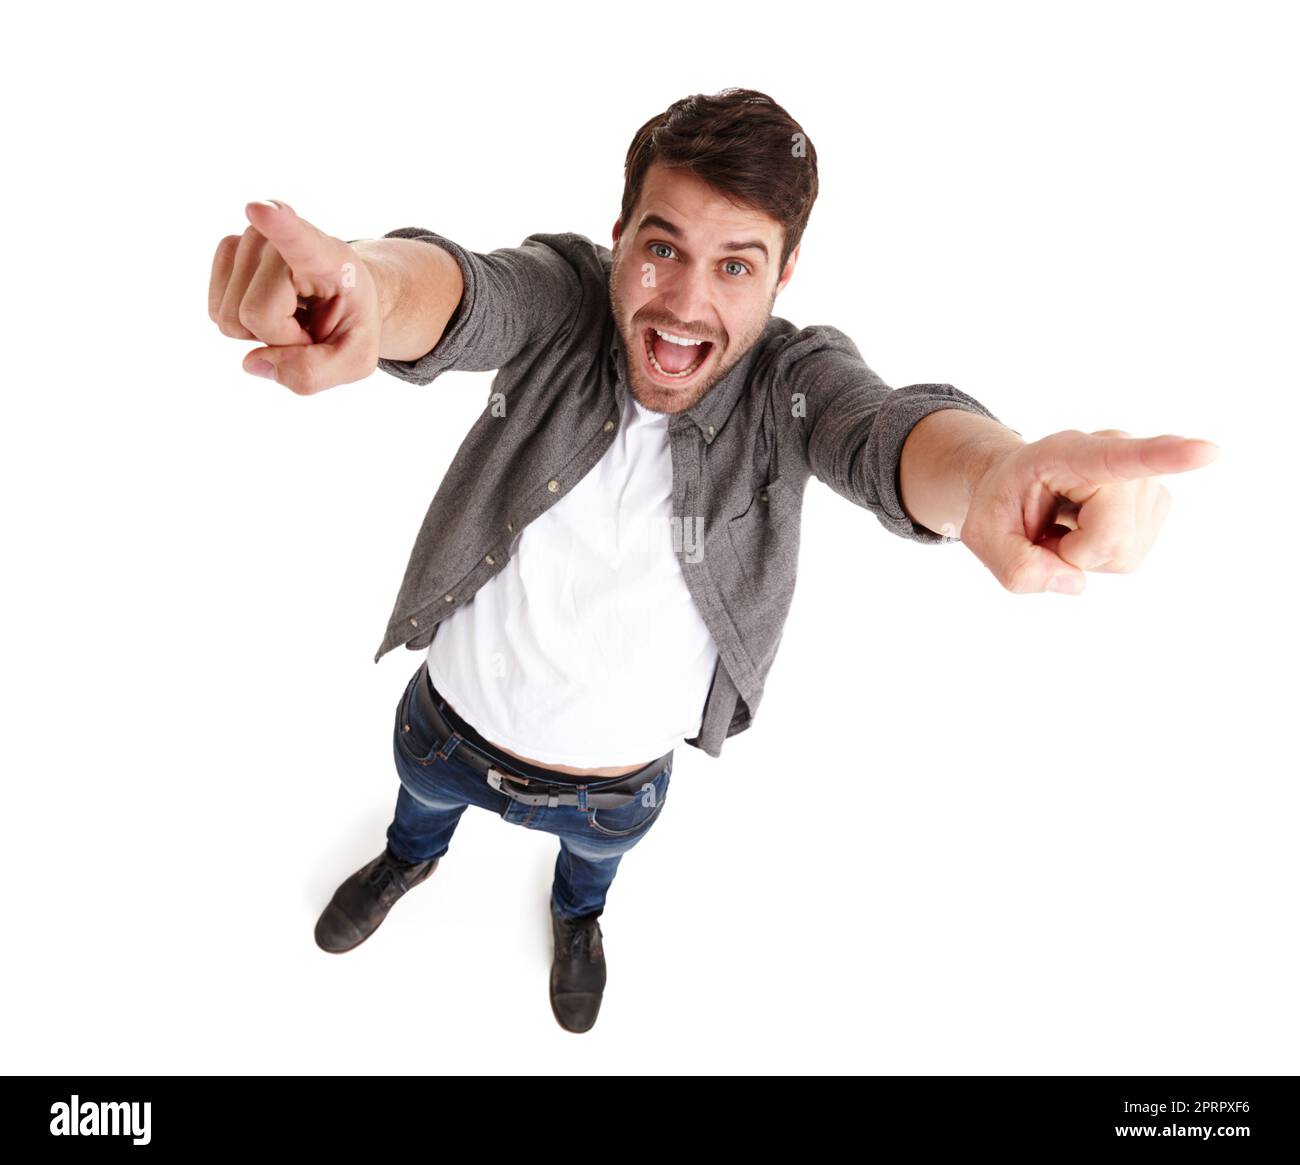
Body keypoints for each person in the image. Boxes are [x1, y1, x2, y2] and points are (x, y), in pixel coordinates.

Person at [206, 88, 1219, 1034]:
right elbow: (467, 294)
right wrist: (367, 291)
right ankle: (406, 861)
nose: (686, 303)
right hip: (446, 727)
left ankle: (577, 919)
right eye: (662, 248)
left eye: (735, 263)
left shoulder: (793, 381)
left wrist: (994, 467)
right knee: (418, 810)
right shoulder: (565, 302)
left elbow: (881, 436)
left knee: (590, 869)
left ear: (781, 278)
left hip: (614, 786)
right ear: (617, 242)